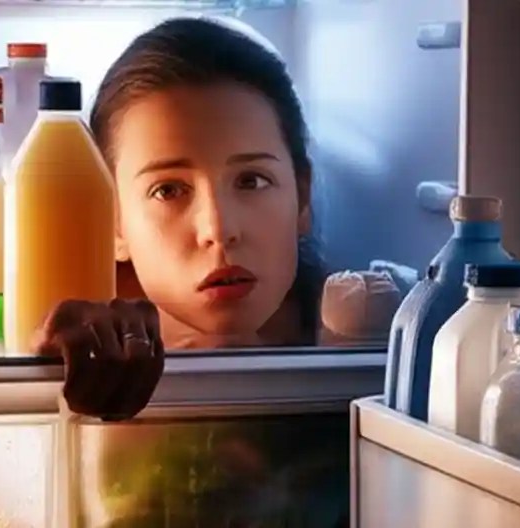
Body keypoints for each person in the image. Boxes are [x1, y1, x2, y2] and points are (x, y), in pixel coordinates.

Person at [33, 17, 326, 419]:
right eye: (168, 190)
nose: (219, 230)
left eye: (252, 181)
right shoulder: (88, 324)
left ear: (302, 197)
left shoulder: (360, 327)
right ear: (112, 221)